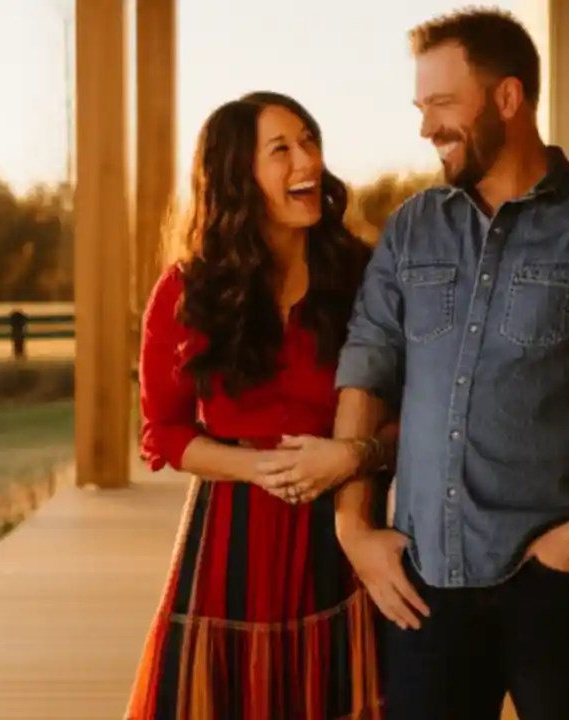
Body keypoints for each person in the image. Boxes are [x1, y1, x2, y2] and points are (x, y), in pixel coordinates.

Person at [331, 9, 569, 720]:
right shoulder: (414, 227)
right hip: (423, 583)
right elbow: (368, 365)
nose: (426, 129)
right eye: (421, 108)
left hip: (560, 585)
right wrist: (355, 529)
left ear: (508, 98)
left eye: (444, 105)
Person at [126, 91, 394, 720]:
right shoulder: (186, 291)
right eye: (282, 150)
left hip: (342, 524)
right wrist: (257, 470)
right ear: (237, 176)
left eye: (309, 141)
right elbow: (163, 431)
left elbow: (405, 403)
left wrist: (350, 457)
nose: (307, 160)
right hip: (230, 538)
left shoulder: (362, 275)